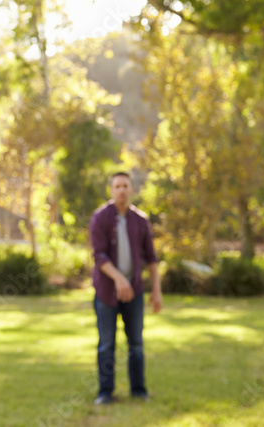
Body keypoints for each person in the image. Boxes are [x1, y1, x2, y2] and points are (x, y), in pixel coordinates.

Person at [89, 171, 163, 405]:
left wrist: (157, 291)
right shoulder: (100, 218)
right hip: (106, 292)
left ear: (132, 189)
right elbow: (99, 255)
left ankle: (139, 390)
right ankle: (105, 392)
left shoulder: (140, 220)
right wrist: (119, 278)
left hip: (135, 292)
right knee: (107, 344)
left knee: (136, 343)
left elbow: (151, 257)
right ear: (111, 190)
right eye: (117, 186)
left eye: (125, 186)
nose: (121, 190)